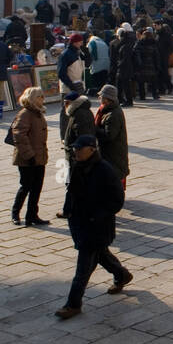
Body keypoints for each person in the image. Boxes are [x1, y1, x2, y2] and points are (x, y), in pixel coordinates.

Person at [54, 134, 131, 320]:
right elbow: (71, 192)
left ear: (92, 149)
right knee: (102, 254)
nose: (76, 152)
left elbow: (117, 200)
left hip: (96, 226)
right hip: (80, 222)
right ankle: (122, 275)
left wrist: (98, 216)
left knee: (83, 269)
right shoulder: (77, 166)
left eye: (80, 149)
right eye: (75, 149)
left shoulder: (104, 170)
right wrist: (68, 211)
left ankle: (73, 304)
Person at [10, 86, 50, 227]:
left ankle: (32, 215)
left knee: (37, 187)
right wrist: (29, 155)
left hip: (39, 157)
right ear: (32, 98)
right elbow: (19, 135)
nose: (42, 98)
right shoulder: (25, 114)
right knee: (26, 186)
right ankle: (15, 212)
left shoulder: (38, 113)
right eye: (40, 96)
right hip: (27, 158)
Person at [94, 85, 129, 190]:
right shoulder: (105, 110)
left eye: (101, 97)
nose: (99, 99)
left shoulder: (113, 114)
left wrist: (94, 129)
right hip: (110, 152)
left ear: (107, 99)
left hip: (113, 152)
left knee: (113, 175)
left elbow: (109, 135)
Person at [134, 27, 161, 100]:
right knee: (153, 81)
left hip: (142, 66)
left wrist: (138, 64)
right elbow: (156, 56)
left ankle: (142, 96)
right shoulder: (154, 43)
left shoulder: (139, 43)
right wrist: (157, 66)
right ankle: (155, 95)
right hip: (151, 65)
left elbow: (135, 53)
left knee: (141, 82)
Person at [112, 23, 136, 106]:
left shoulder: (125, 46)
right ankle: (121, 100)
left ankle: (129, 101)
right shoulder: (127, 44)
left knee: (125, 85)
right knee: (121, 84)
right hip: (125, 68)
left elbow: (124, 59)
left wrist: (119, 64)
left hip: (124, 68)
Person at [156, 21, 173, 95]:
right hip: (160, 55)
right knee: (161, 73)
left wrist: (166, 53)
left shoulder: (165, 35)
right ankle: (162, 89)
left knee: (164, 73)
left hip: (163, 56)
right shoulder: (159, 35)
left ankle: (168, 87)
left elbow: (171, 46)